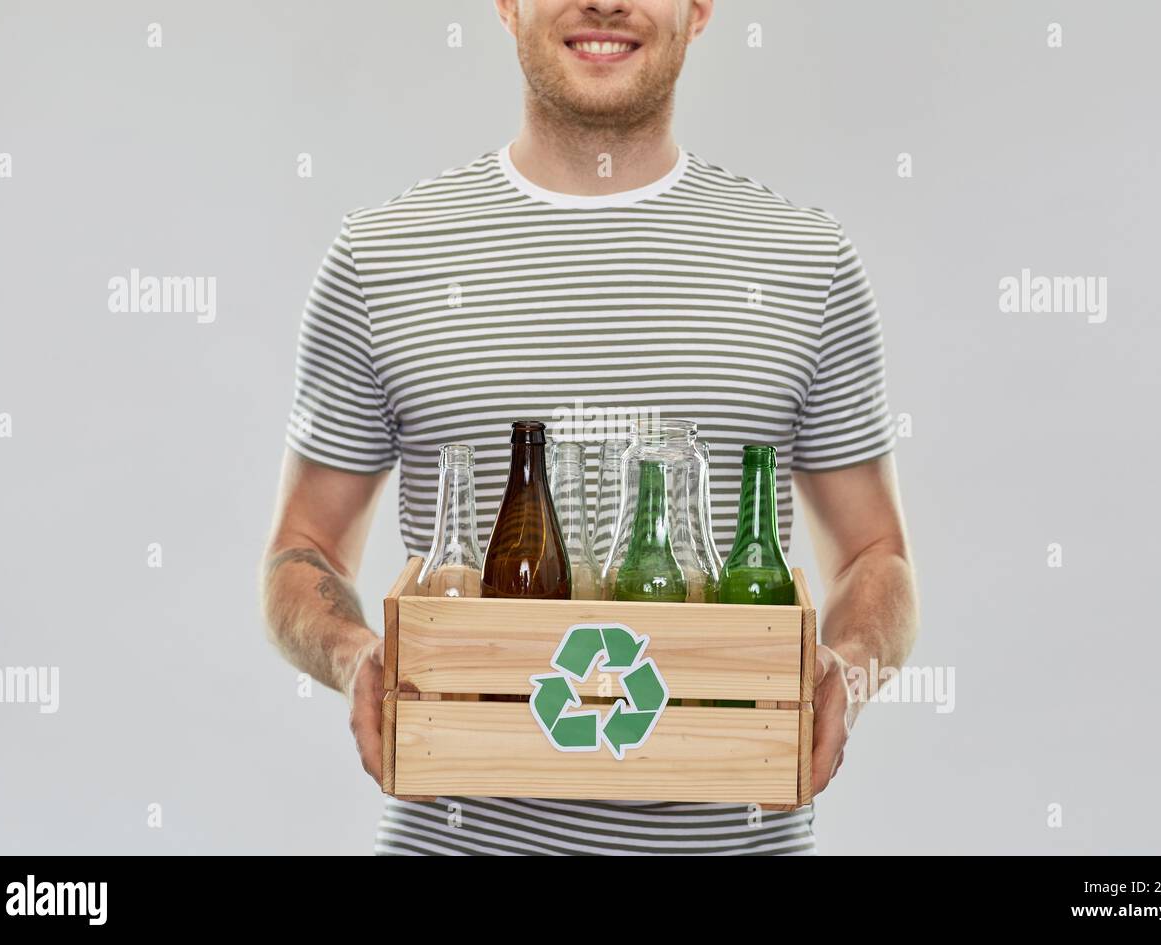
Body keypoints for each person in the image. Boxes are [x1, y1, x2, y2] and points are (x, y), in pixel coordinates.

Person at [261, 0, 918, 855]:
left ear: (700, 8)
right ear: (505, 4)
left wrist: (848, 672)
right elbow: (298, 549)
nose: (605, 3)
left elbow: (878, 554)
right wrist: (358, 659)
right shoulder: (383, 257)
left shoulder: (805, 261)